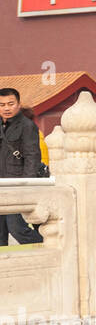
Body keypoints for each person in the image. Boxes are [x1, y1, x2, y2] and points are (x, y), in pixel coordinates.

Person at [0, 87, 45, 246]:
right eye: (2, 104)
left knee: (17, 228)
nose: (6, 108)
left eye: (10, 103)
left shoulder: (27, 126)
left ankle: (48, 248)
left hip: (16, 184)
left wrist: (27, 185)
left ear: (18, 104)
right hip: (1, 185)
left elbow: (33, 156)